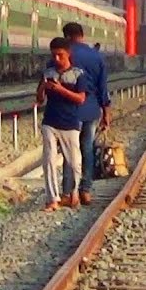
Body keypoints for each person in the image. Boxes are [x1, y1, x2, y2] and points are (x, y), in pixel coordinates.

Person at [37, 37, 89, 212]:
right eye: (54, 55)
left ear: (68, 54)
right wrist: (43, 88)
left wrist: (61, 90)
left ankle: (73, 193)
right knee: (49, 160)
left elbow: (81, 98)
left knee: (74, 163)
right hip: (50, 122)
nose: (57, 59)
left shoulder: (78, 74)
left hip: (70, 123)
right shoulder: (48, 73)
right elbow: (39, 99)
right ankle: (52, 199)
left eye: (60, 55)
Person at [61, 22, 110, 205]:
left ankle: (67, 192)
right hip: (91, 109)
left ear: (66, 37)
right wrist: (106, 112)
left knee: (69, 150)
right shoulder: (95, 56)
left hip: (69, 110)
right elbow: (103, 88)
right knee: (87, 148)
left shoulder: (63, 55)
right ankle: (86, 191)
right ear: (82, 35)